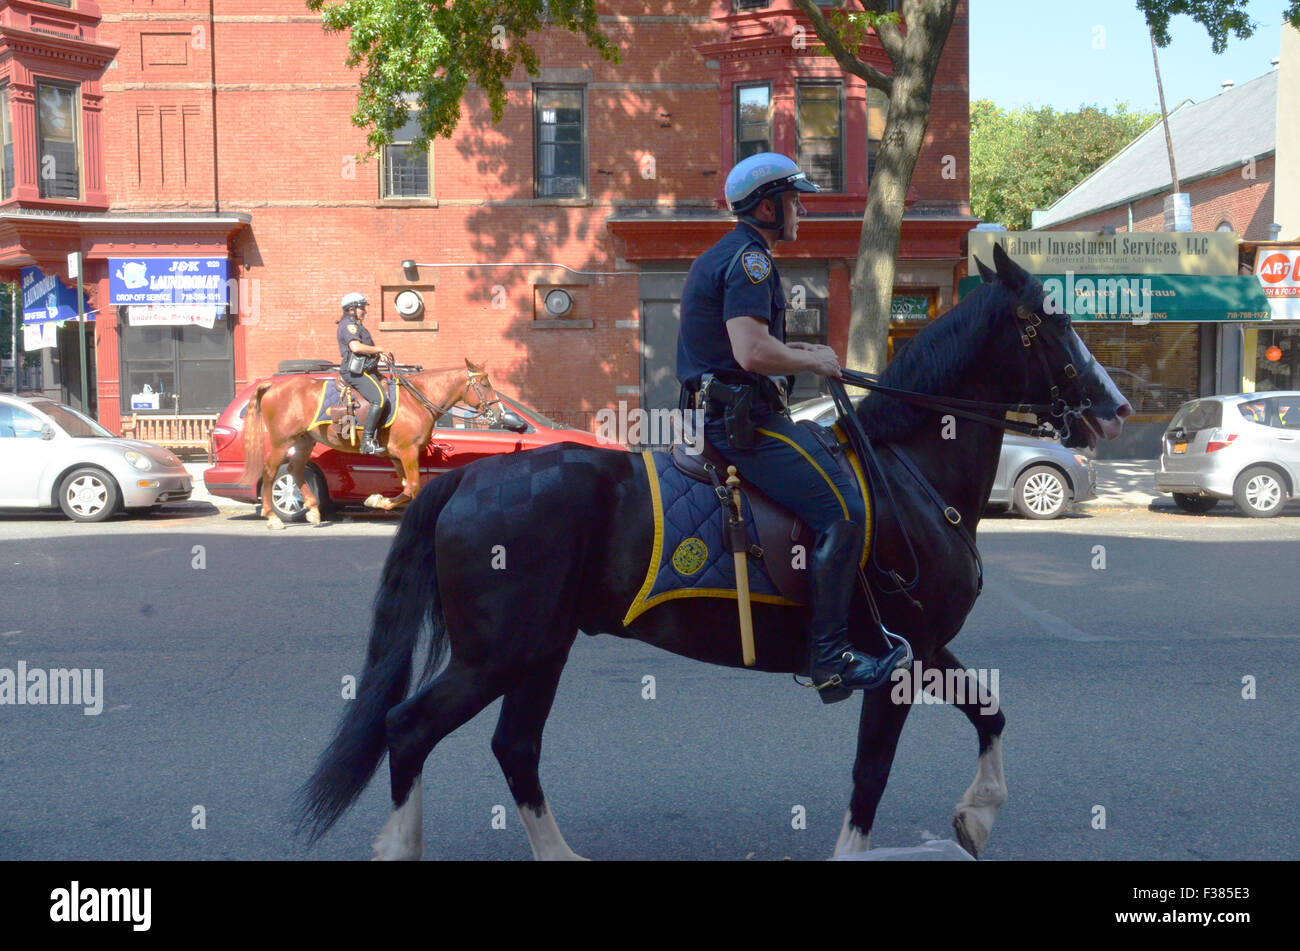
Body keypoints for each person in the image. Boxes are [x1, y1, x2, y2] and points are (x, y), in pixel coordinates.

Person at [675, 152, 908, 702]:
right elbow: (751, 352)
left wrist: (807, 351)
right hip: (742, 425)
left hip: (727, 413)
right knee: (844, 512)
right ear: (766, 206)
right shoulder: (751, 261)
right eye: (794, 198)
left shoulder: (731, 254)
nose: (801, 207)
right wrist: (813, 362)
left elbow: (746, 348)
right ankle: (831, 658)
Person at [336, 292, 391, 455]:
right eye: (362, 308)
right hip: (354, 371)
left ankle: (379, 436)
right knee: (379, 398)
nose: (364, 311)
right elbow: (356, 347)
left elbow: (365, 350)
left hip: (366, 368)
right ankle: (366, 442)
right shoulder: (348, 325)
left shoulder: (358, 325)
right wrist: (379, 349)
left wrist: (377, 354)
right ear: (351, 308)